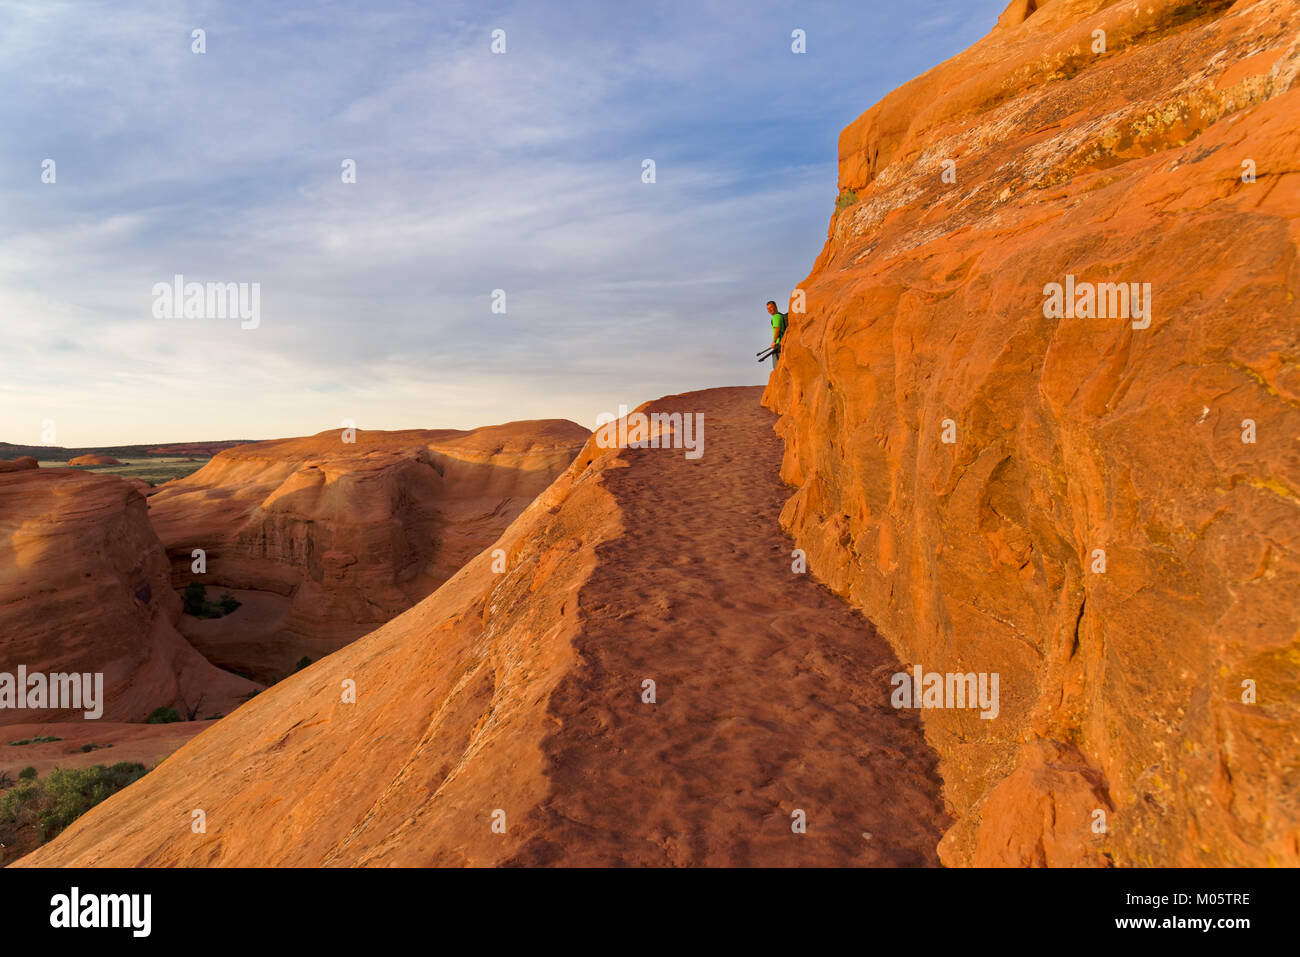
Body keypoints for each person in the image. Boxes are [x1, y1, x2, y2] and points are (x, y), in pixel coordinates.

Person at [765, 300, 788, 370]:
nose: (769, 310)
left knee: (777, 368)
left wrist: (774, 342)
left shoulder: (776, 317)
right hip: (783, 343)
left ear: (775, 306)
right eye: (768, 309)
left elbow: (777, 329)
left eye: (771, 307)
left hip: (778, 345)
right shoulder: (780, 316)